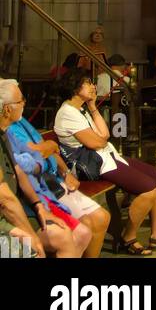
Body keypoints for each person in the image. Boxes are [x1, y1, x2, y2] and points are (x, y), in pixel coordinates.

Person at [54, 68, 156, 255]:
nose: (93, 86)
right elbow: (96, 142)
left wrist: (92, 107)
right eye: (88, 83)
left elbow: (104, 135)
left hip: (106, 155)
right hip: (93, 164)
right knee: (149, 188)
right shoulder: (68, 113)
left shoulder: (80, 109)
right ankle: (128, 237)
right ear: (75, 88)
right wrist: (101, 140)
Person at [1, 78, 110, 257]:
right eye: (20, 100)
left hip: (45, 185)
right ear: (7, 109)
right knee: (63, 237)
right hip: (25, 200)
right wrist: (29, 231)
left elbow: (32, 158)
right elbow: (27, 165)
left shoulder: (7, 132)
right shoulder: (10, 130)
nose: (24, 103)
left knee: (90, 226)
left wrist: (39, 206)